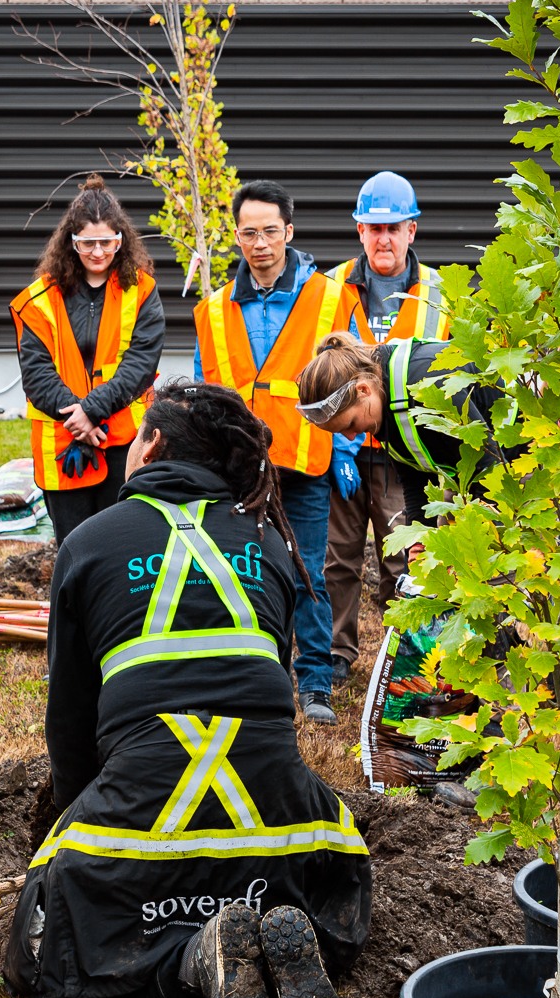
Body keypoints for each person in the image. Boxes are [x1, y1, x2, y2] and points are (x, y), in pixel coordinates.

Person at [4, 381, 372, 998]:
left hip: (144, 804)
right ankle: (273, 944)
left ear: (154, 446)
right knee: (322, 877)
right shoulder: (268, 539)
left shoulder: (90, 541)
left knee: (39, 953)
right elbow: (270, 703)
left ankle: (190, 963)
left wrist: (78, 823)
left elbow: (70, 725)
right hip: (277, 820)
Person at [194, 180, 368, 726]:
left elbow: (359, 375)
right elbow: (205, 389)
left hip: (308, 461)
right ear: (237, 237)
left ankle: (314, 681)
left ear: (289, 232)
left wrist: (345, 444)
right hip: (241, 469)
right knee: (246, 572)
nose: (261, 242)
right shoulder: (215, 309)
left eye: (271, 231)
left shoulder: (332, 298)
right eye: (250, 232)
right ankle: (259, 675)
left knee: (307, 571)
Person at [323, 172, 448, 686]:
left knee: (404, 556)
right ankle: (337, 654)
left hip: (408, 448)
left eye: (393, 228)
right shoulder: (332, 286)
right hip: (348, 448)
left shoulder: (439, 291)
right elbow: (320, 372)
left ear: (412, 231)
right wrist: (335, 443)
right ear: (359, 230)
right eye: (373, 228)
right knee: (341, 558)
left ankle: (408, 657)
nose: (383, 239)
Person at [10, 176, 164, 545]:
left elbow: (140, 364)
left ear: (121, 240)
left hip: (125, 443)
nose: (98, 252)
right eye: (87, 243)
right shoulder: (39, 299)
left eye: (108, 242)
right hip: (64, 444)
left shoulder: (141, 290)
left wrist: (92, 411)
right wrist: (79, 420)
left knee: (126, 548)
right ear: (71, 243)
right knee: (74, 549)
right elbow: (36, 373)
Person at [293, 331, 502, 523]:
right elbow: (415, 476)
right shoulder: (383, 401)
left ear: (363, 390)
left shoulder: (425, 385)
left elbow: (489, 467)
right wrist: (417, 541)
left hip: (516, 457)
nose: (350, 437)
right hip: (475, 476)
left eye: (350, 424)